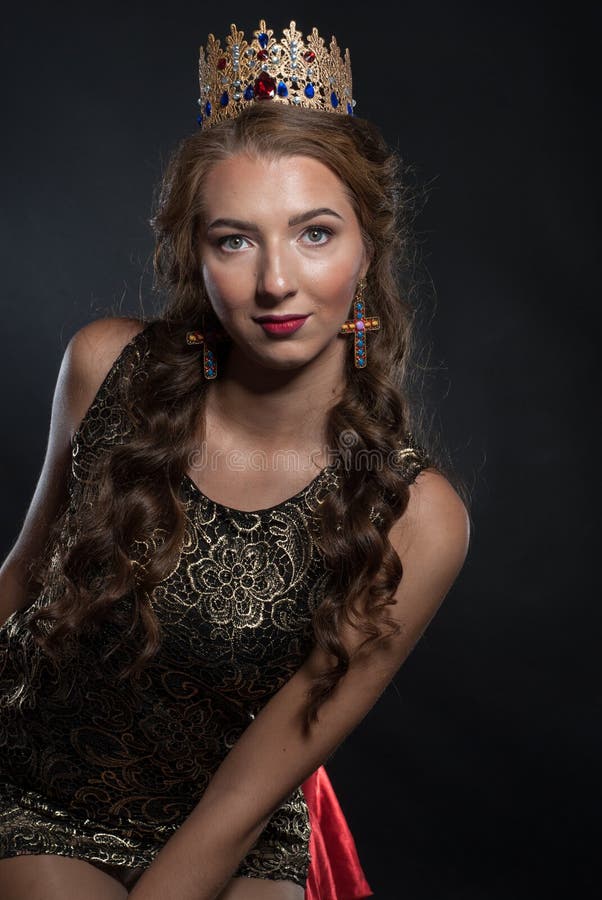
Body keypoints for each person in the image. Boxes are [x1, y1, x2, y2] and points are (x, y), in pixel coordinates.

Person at [0, 17, 471, 900]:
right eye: (236, 239)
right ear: (197, 258)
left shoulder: (419, 514)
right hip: (34, 783)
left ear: (367, 247)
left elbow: (247, 795)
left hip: (234, 816)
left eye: (315, 233)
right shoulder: (106, 366)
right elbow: (22, 577)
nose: (277, 282)